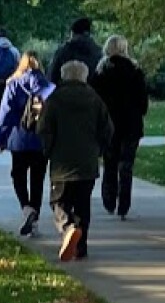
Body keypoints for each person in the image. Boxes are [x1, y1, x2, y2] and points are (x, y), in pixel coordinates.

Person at [37, 60, 115, 262]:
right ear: (84, 76)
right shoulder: (95, 99)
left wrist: (48, 150)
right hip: (87, 161)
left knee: (58, 201)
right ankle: (80, 247)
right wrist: (98, 149)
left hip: (62, 162)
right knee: (83, 205)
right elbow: (107, 129)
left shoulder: (55, 99)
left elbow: (44, 128)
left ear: (64, 76)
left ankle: (67, 228)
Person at [0, 53, 52, 237]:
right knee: (37, 179)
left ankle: (26, 208)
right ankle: (34, 218)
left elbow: (5, 114)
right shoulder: (48, 87)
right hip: (40, 140)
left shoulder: (13, 85)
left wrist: (0, 139)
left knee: (18, 175)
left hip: (19, 139)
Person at [93, 36, 149, 219]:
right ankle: (124, 204)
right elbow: (143, 102)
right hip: (131, 124)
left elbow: (95, 100)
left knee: (110, 162)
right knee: (126, 165)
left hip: (109, 124)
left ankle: (109, 199)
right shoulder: (135, 71)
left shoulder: (101, 72)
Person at [51, 18, 104, 84]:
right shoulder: (99, 52)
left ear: (72, 33)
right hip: (92, 89)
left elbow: (52, 77)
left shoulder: (63, 51)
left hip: (67, 89)